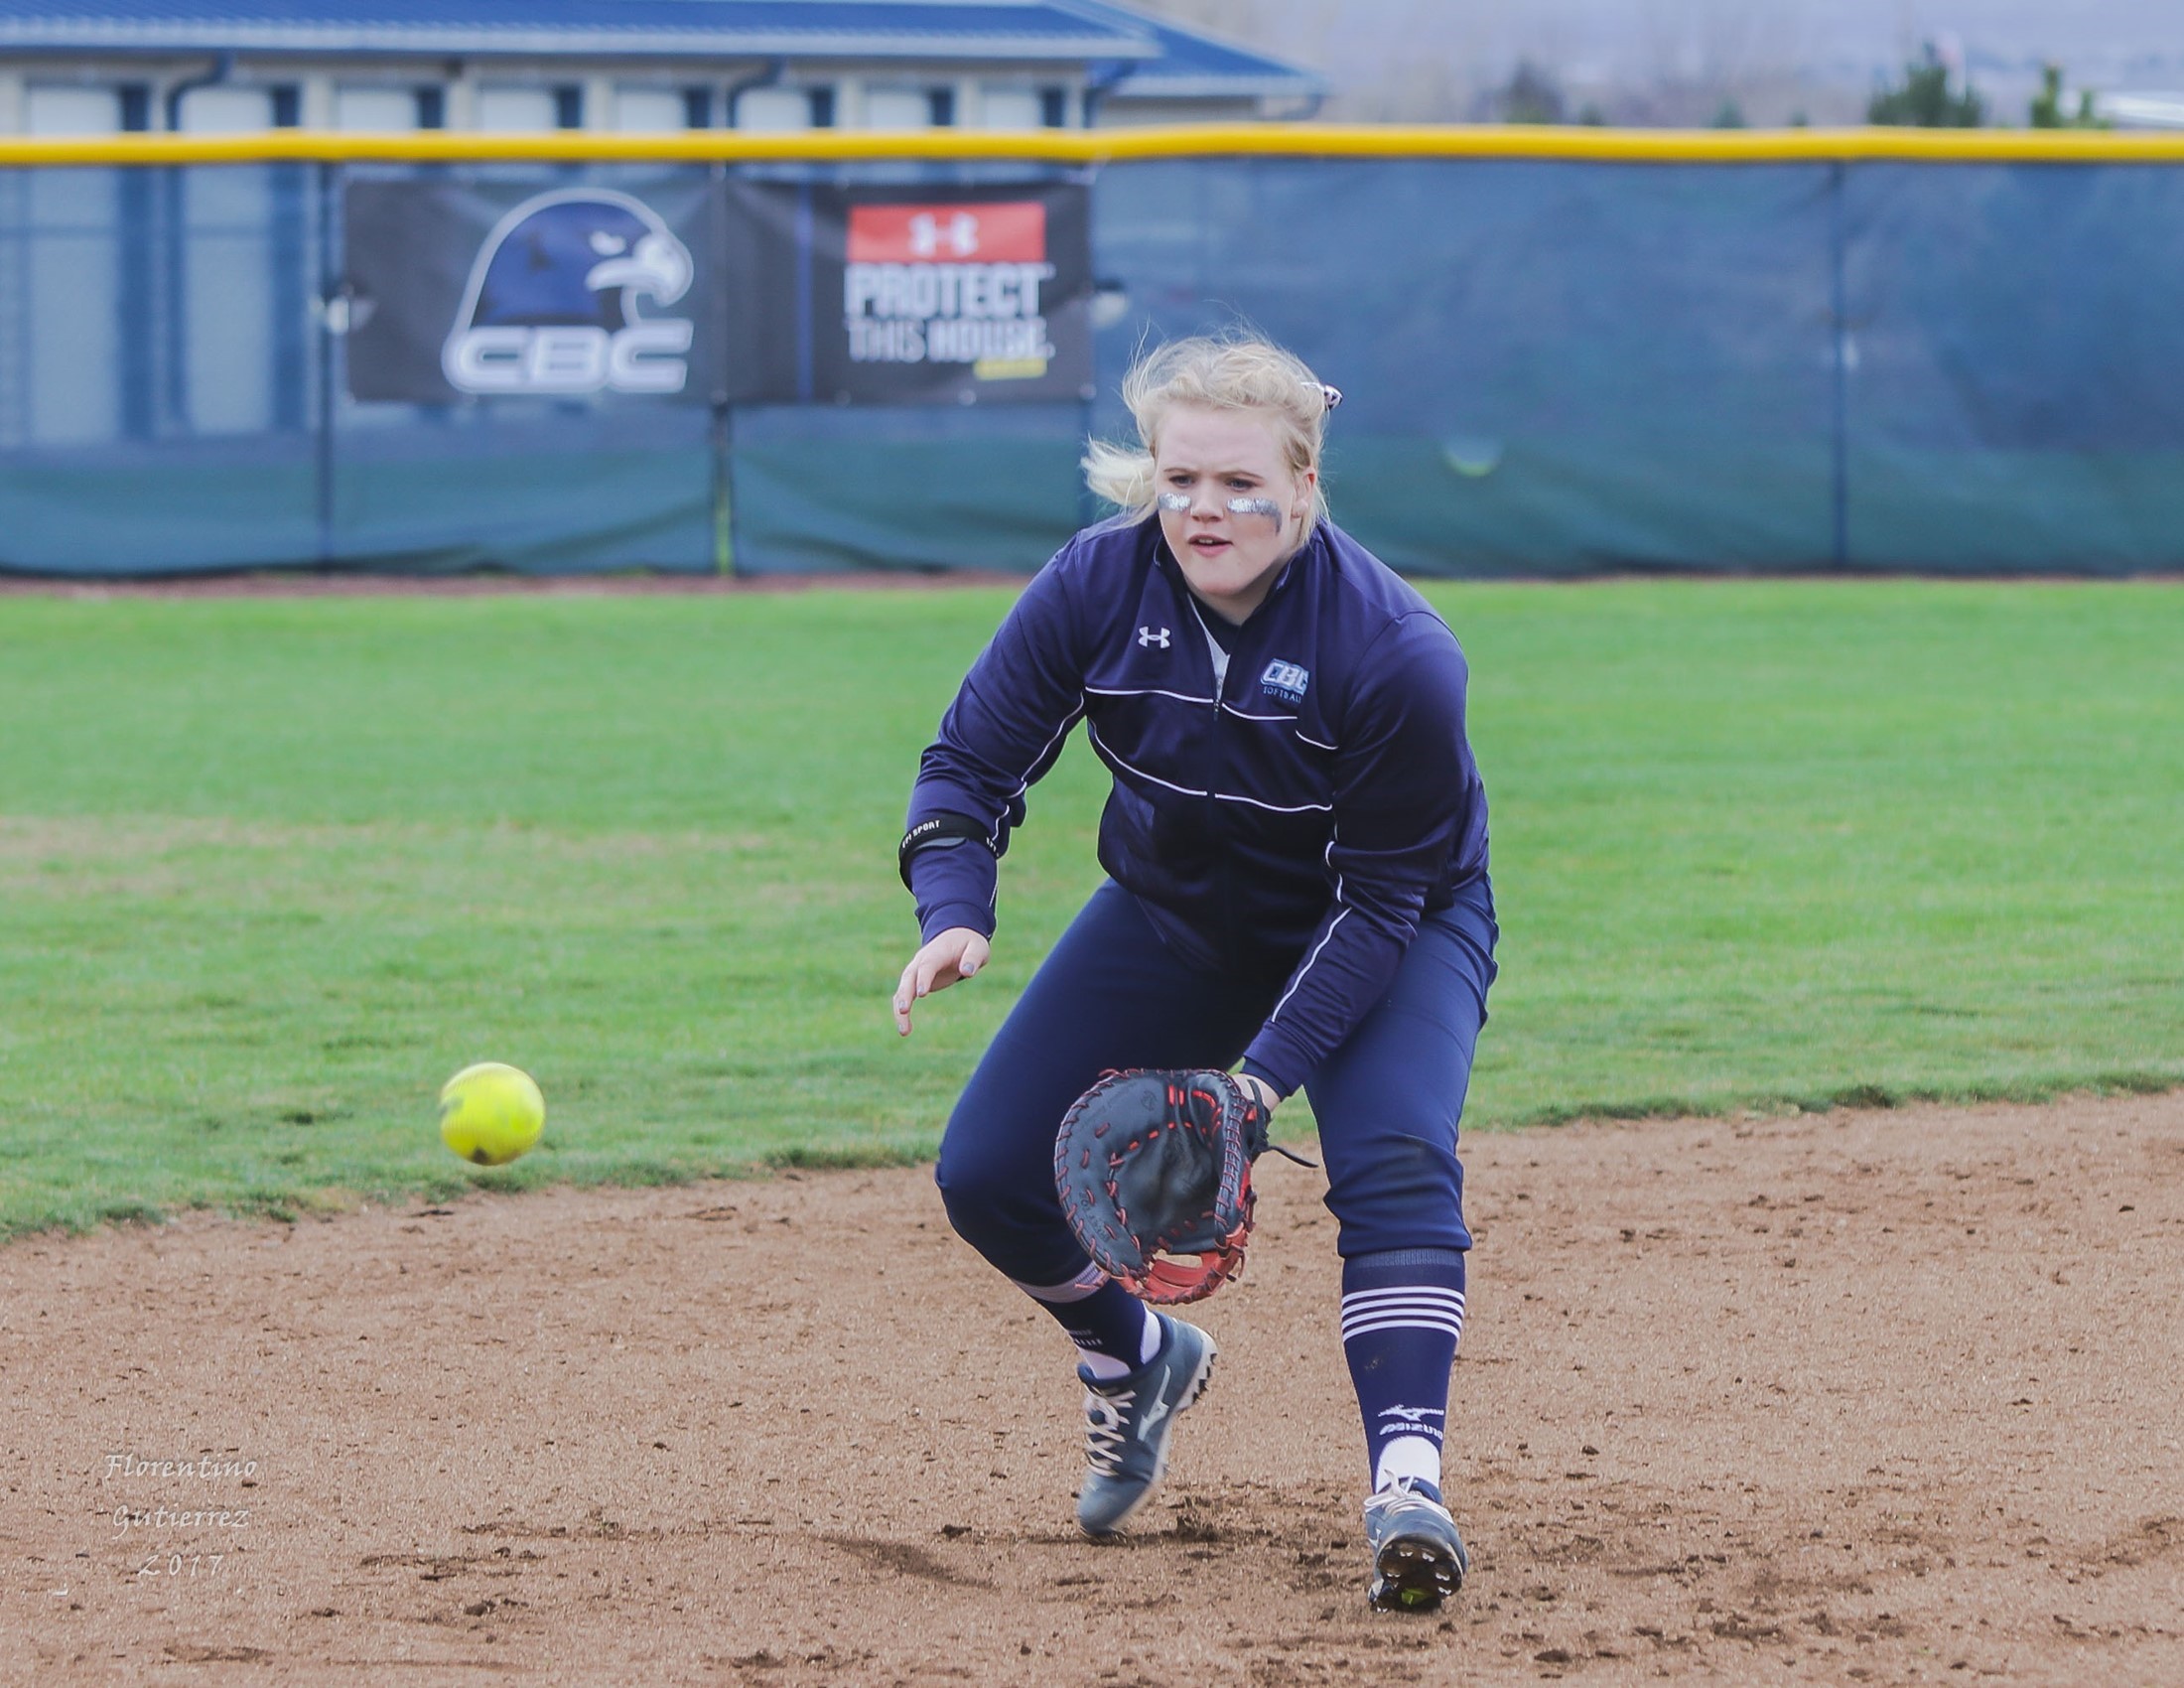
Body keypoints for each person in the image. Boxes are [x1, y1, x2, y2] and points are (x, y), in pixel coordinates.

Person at [889, 334, 1496, 1614]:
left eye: (1237, 483)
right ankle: (1137, 1356)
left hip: (1386, 927)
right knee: (987, 1172)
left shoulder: (1394, 652)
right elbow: (967, 768)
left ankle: (1407, 1479)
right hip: (1176, 913)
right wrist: (958, 908)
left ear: (1305, 484)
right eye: (1179, 482)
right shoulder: (1096, 589)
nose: (1205, 510)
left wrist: (1255, 1086)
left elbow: (1384, 899)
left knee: (1391, 1155)